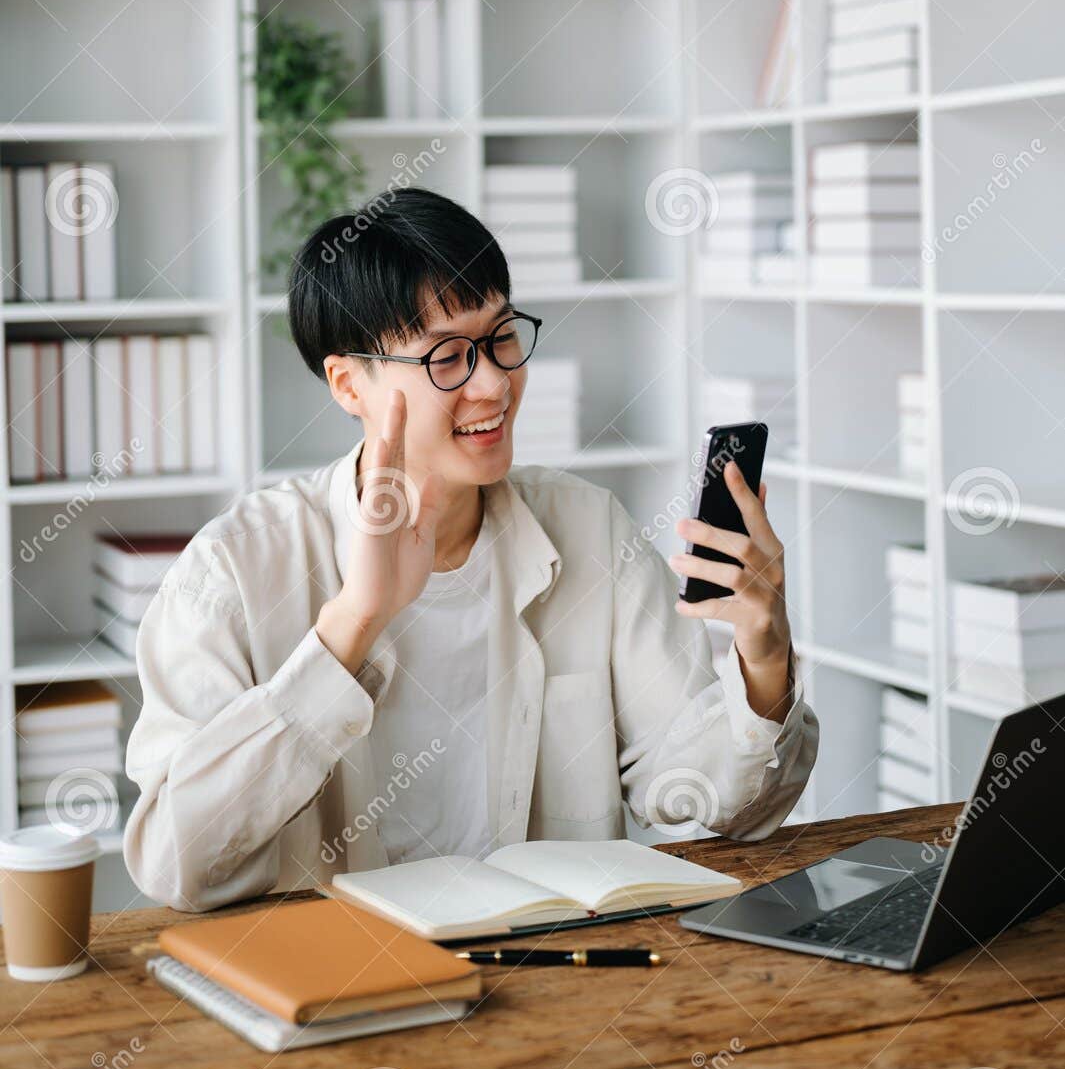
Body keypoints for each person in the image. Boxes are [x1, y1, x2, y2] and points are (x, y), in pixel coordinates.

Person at [123, 188, 817, 911]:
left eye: (501, 337)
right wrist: (353, 623)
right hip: (341, 971)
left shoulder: (590, 529)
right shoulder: (234, 568)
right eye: (446, 357)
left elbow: (713, 802)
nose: (492, 384)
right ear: (349, 384)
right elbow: (177, 865)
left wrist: (764, 658)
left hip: (552, 959)